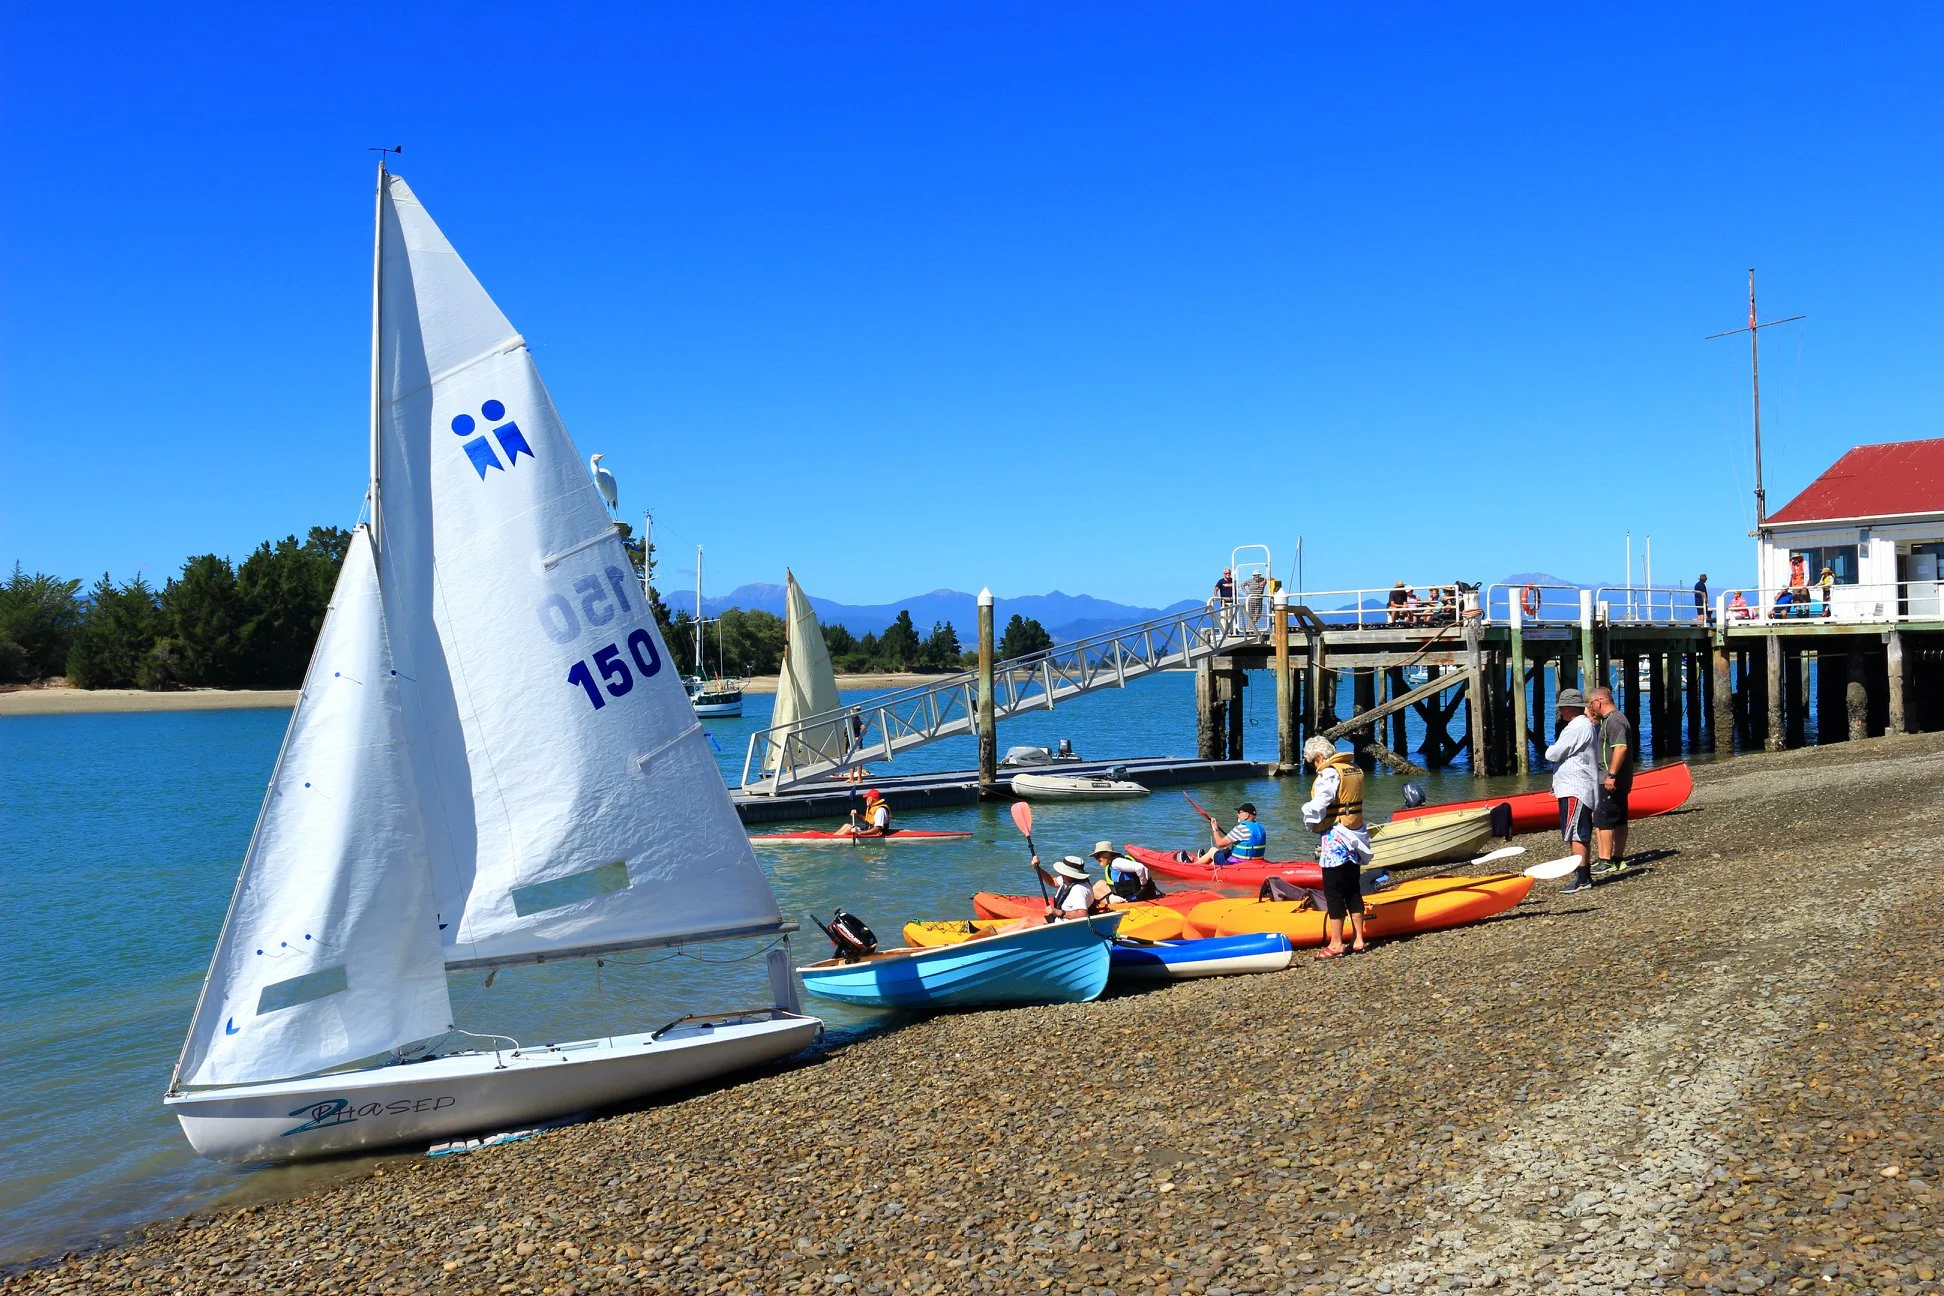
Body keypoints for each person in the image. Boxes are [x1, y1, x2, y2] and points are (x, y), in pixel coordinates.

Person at [1302, 737, 1372, 957]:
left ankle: (1336, 943)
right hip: (1356, 833)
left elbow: (1321, 803)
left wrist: (1306, 812)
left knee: (1333, 891)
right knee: (1353, 887)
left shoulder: (1329, 773)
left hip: (1336, 837)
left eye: (1313, 761)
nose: (1314, 766)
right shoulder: (1352, 769)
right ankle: (1359, 939)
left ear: (1320, 757)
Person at [1544, 688, 1599, 893]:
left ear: (1568, 709)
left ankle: (1582, 878)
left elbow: (1554, 753)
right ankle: (1583, 874)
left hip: (1575, 788)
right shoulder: (1583, 725)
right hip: (1579, 787)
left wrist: (1548, 749)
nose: (1560, 713)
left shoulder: (1576, 727)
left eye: (1562, 709)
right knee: (1579, 832)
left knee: (1576, 833)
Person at [1587, 687, 1635, 872]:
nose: (1591, 708)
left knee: (1603, 819)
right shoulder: (1612, 719)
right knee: (1620, 818)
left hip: (1611, 779)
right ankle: (1617, 858)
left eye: (1592, 705)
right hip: (1619, 779)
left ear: (1598, 702)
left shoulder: (1614, 720)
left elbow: (1620, 748)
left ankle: (1605, 860)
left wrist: (1611, 774)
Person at [1194, 802, 1266, 869]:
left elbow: (1219, 844)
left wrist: (1215, 828)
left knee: (1212, 850)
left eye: (1239, 812)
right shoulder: (1260, 828)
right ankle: (1206, 864)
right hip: (1255, 862)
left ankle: (1193, 866)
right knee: (1225, 851)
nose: (1237, 814)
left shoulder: (1241, 828)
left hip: (1239, 864)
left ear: (1246, 815)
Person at [1089, 840, 1159, 904]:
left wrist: (1143, 885)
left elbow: (1140, 867)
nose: (1097, 859)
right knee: (1101, 883)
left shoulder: (1116, 862)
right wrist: (1144, 885)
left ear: (1108, 853)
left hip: (1129, 900)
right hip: (1136, 895)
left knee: (1093, 891)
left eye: (1098, 855)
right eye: (1095, 857)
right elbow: (1145, 869)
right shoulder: (1117, 860)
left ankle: (1088, 911)